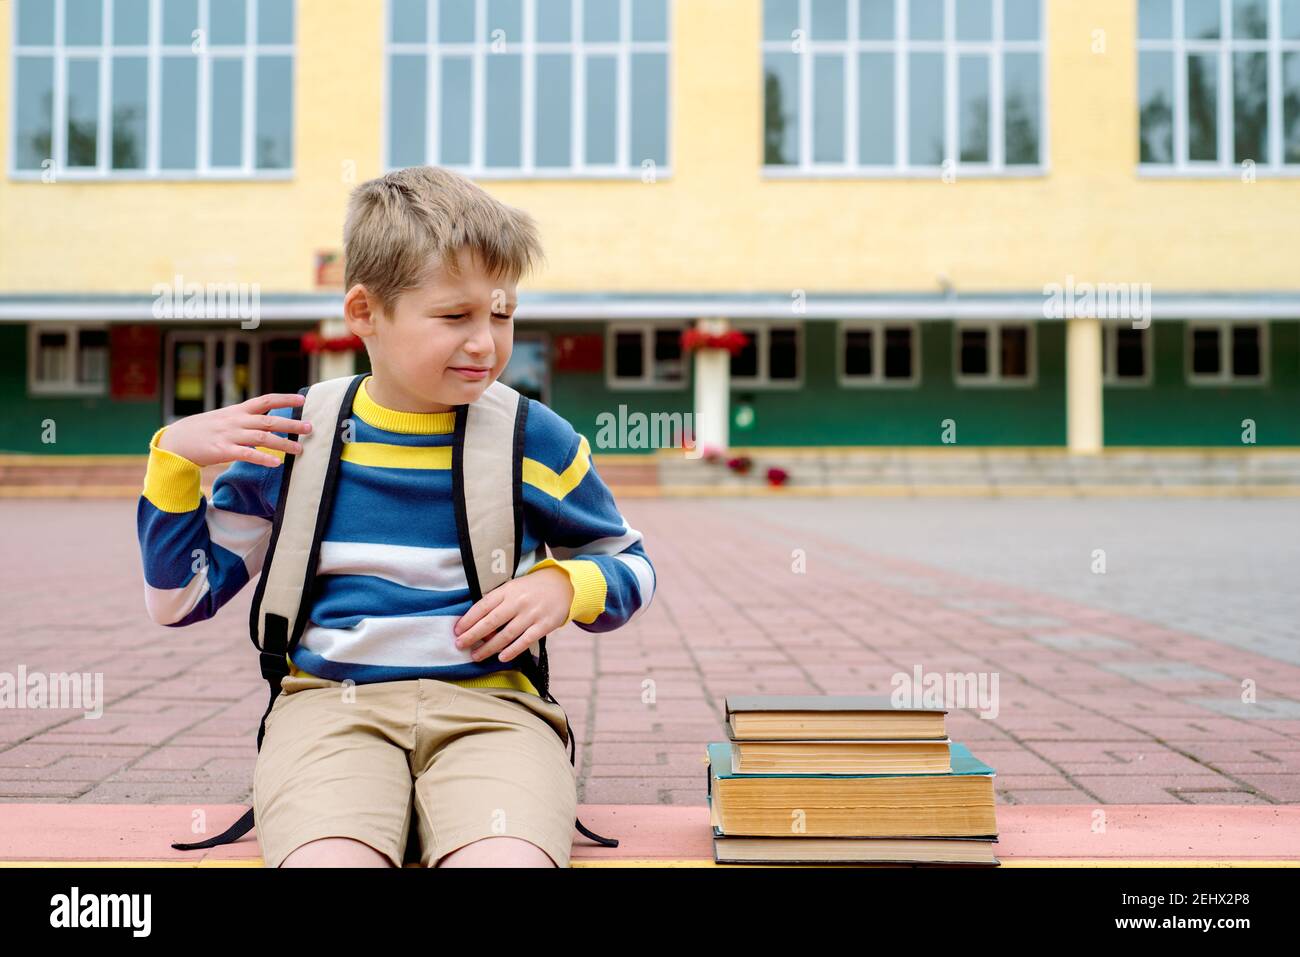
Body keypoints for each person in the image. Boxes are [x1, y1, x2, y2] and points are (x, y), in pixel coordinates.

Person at [135, 166, 656, 868]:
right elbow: (180, 599)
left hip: (495, 714)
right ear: (364, 312)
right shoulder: (294, 441)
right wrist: (172, 462)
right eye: (454, 316)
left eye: (501, 314)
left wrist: (567, 586)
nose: (485, 342)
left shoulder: (535, 439)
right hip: (328, 714)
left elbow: (632, 563)